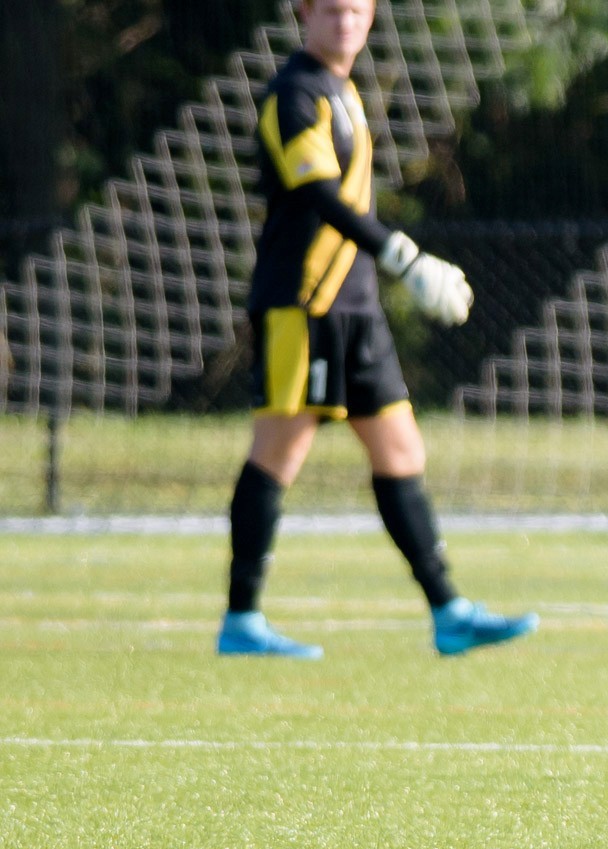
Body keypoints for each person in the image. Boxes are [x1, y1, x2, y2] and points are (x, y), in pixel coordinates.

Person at [216, 0, 537, 660]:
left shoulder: (346, 90)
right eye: (332, 10)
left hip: (357, 309)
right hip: (303, 304)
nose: (346, 22)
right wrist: (404, 256)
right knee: (279, 453)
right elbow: (316, 194)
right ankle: (241, 620)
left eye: (357, 10)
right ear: (304, 14)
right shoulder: (296, 93)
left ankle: (449, 611)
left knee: (401, 452)